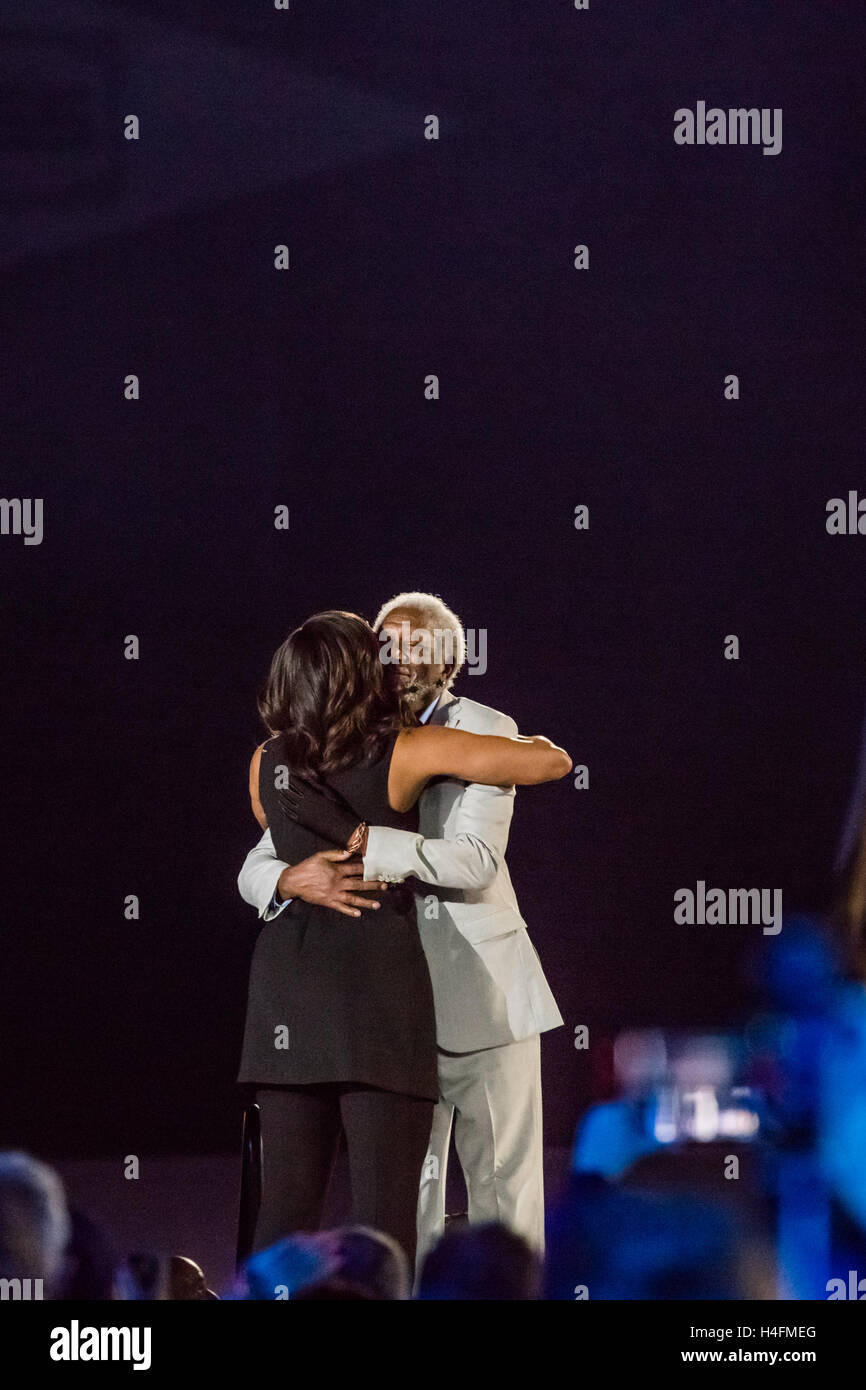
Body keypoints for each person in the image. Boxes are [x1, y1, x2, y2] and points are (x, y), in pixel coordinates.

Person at [239, 592, 566, 1268]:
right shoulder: (374, 737)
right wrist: (284, 879)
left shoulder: (473, 728)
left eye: (418, 645)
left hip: (470, 990)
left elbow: (482, 855)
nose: (400, 657)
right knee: (398, 1200)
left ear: (452, 657)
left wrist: (366, 844)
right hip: (381, 1005)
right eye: (387, 645)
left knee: (499, 1187)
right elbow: (272, 851)